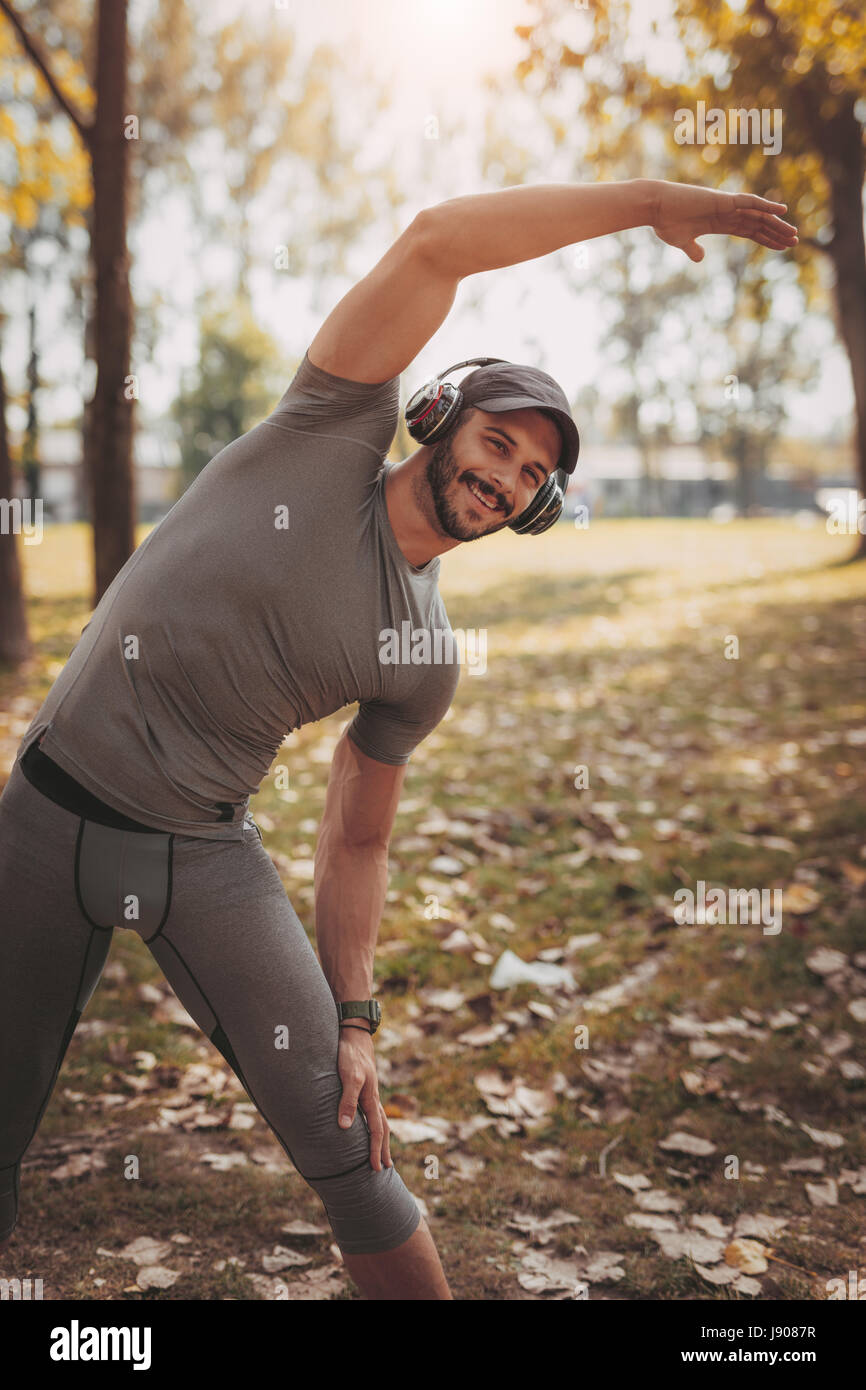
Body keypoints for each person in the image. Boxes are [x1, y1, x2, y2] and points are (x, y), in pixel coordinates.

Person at [0, 178, 797, 1299]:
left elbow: (358, 839)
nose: (505, 474)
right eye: (498, 440)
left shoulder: (421, 658)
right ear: (439, 413)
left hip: (197, 856)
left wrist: (357, 1015)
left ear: (530, 509)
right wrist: (648, 204)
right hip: (37, 815)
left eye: (531, 474)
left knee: (352, 1145)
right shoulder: (327, 429)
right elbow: (440, 242)